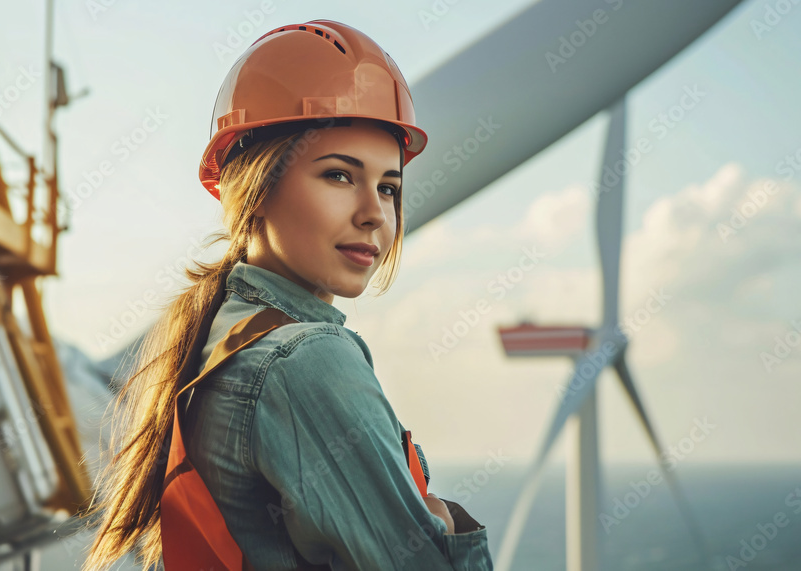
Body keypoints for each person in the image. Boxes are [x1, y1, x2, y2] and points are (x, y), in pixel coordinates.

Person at [82, 20, 494, 570]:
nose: (375, 213)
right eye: (339, 177)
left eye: (389, 187)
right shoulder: (305, 358)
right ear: (254, 187)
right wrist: (440, 520)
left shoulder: (222, 331)